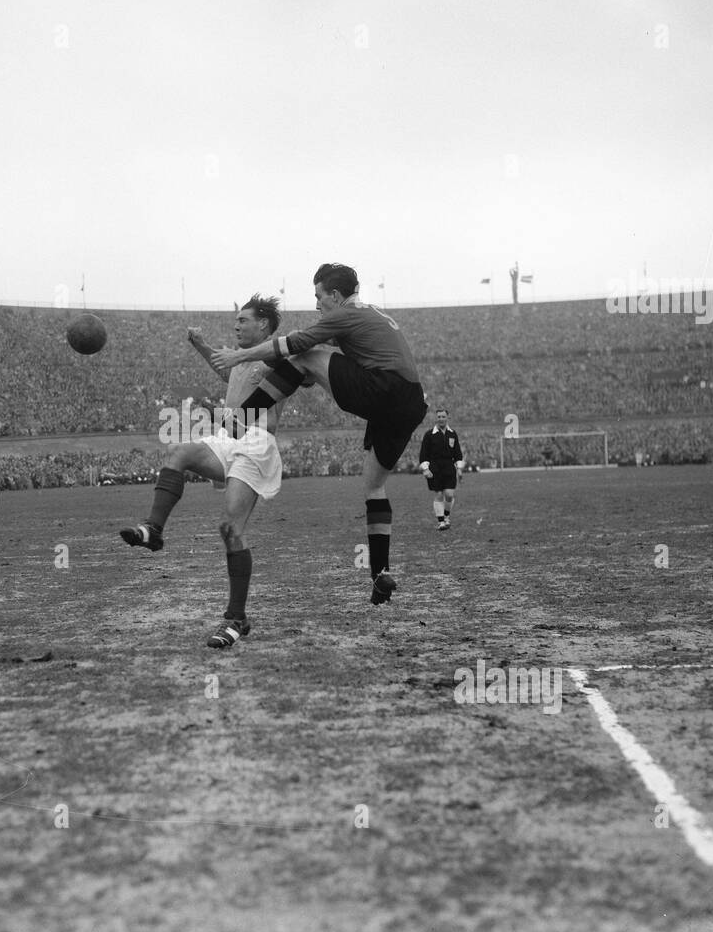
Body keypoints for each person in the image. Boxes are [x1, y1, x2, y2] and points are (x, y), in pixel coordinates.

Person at [212, 263, 427, 604]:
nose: (316, 304)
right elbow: (292, 357)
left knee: (304, 354)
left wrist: (240, 355)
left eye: (319, 296)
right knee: (373, 485)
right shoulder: (368, 314)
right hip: (410, 403)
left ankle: (238, 421)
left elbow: (294, 346)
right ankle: (380, 576)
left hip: (383, 390)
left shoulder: (346, 314)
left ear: (336, 296)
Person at [119, 295, 295, 648]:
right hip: (230, 438)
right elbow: (223, 368)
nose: (236, 325)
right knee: (179, 451)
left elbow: (290, 361)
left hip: (257, 443)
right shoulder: (242, 362)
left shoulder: (274, 356)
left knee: (231, 529)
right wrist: (201, 345)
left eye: (243, 320)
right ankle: (154, 530)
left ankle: (236, 618)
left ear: (263, 325)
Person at [418, 408, 464, 530]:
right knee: (438, 494)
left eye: (443, 416)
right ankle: (441, 522)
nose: (441, 419)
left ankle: (447, 516)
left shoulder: (453, 434)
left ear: (447, 418)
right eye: (439, 417)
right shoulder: (429, 435)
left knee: (449, 495)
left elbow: (458, 453)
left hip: (449, 467)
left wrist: (459, 469)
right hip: (434, 468)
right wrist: (425, 469)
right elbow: (423, 454)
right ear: (436, 418)